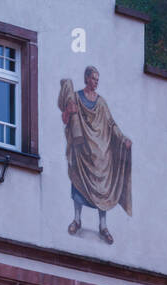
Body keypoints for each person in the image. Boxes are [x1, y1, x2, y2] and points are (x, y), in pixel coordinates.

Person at [58, 66, 132, 244]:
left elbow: (111, 124)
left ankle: (103, 226)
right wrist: (69, 111)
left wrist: (123, 139)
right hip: (81, 150)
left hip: (101, 152)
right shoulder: (75, 97)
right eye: (93, 79)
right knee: (77, 182)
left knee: (102, 189)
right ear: (86, 79)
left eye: (98, 80)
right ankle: (77, 220)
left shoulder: (101, 103)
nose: (96, 82)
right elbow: (65, 119)